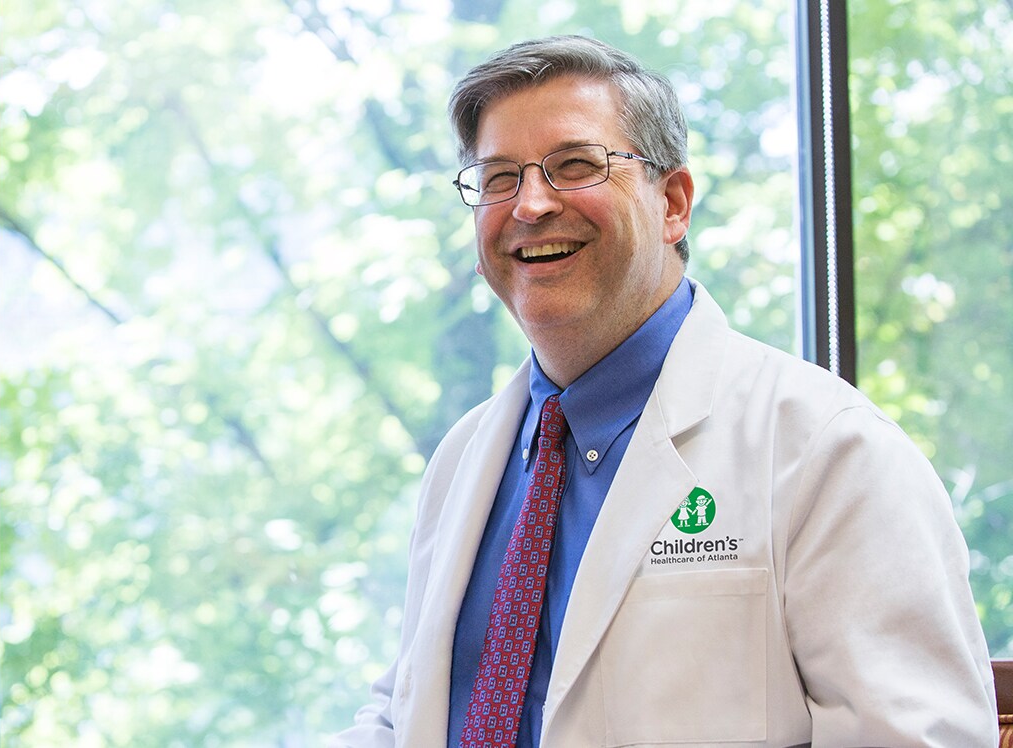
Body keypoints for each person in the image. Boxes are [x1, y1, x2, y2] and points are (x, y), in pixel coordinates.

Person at [333, 35, 997, 747]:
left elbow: (916, 736)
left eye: (575, 166)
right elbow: (410, 707)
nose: (529, 205)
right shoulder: (465, 460)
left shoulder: (829, 448)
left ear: (674, 202)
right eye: (498, 178)